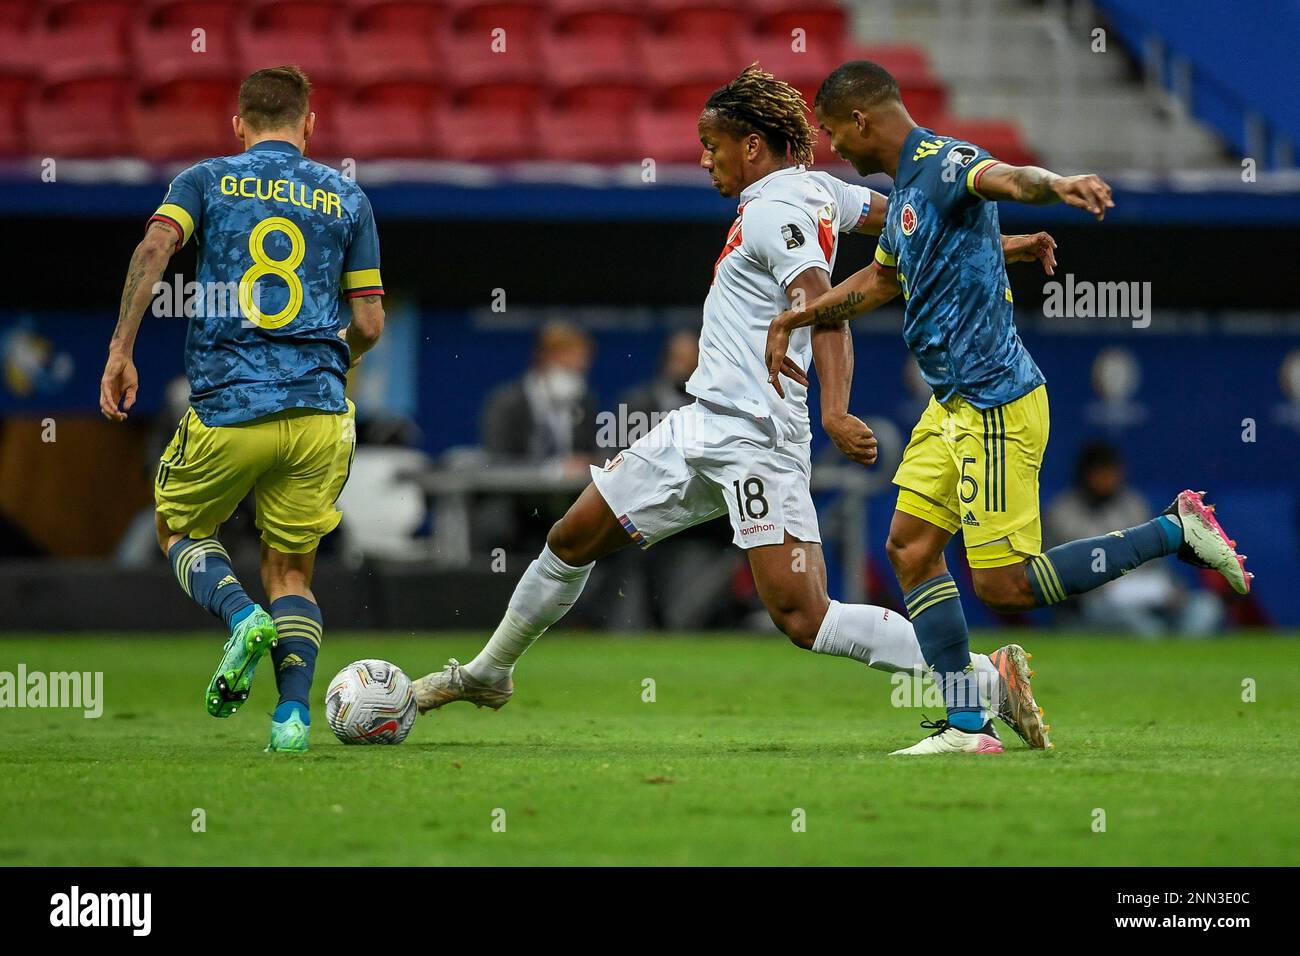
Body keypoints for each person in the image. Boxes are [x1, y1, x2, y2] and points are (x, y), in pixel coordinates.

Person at [412, 66, 1052, 748]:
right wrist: (1000, 246)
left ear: (752, 145)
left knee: (805, 618)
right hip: (701, 423)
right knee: (572, 538)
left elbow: (821, 305)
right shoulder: (818, 191)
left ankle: (981, 682)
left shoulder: (777, 211)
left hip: (756, 436)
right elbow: (911, 229)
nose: (703, 157)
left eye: (711, 143)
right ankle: (489, 672)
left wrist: (835, 410)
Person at [765, 59, 1251, 755]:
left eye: (834, 130)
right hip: (951, 403)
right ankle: (968, 727)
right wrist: (798, 318)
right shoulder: (908, 190)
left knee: (1005, 586)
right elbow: (881, 280)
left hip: (995, 403)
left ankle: (1175, 530)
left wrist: (1057, 185)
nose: (833, 146)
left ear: (861, 119)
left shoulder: (941, 159)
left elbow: (1001, 176)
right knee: (909, 547)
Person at [98, 66, 385, 753]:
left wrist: (121, 349)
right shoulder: (346, 196)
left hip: (231, 403)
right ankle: (290, 720)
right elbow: (370, 323)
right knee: (292, 572)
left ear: (239, 125)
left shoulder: (204, 179)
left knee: (177, 527)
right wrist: (325, 369)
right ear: (309, 124)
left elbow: (154, 247)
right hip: (318, 414)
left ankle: (238, 616)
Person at [1045, 441, 1222, 637]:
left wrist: (1171, 589)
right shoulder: (1062, 512)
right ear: (1085, 474)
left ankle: (1179, 661)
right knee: (1144, 628)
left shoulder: (1133, 504)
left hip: (1146, 595)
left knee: (1206, 607)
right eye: (1100, 473)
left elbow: (1156, 560)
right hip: (1095, 603)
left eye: (1112, 472)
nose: (1107, 479)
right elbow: (1055, 575)